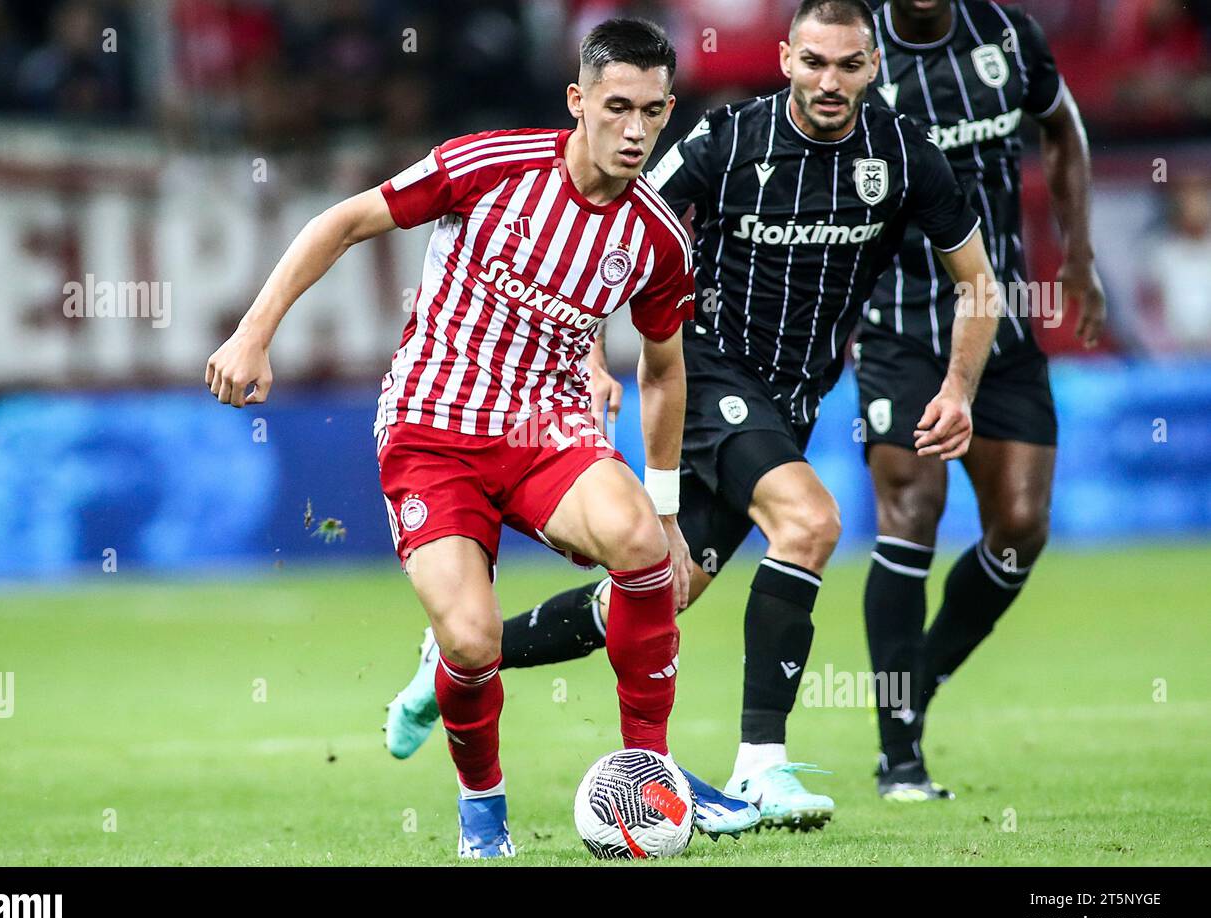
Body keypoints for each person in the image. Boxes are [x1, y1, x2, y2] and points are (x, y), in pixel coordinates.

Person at [385, 0, 1003, 830]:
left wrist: (959, 387)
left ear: (873, 68)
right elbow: (617, 238)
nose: (829, 80)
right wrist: (593, 357)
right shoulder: (727, 141)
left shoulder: (899, 155)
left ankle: (450, 662)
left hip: (790, 398)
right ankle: (760, 766)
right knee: (810, 521)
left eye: (848, 65)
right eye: (813, 61)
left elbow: (979, 281)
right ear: (785, 58)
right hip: (706, 370)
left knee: (650, 597)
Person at [205, 18, 760, 858]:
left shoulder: (657, 239)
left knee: (644, 546)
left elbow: (664, 369)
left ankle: (649, 774)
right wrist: (253, 333)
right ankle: (483, 814)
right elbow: (344, 222)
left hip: (547, 431)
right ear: (578, 101)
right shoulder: (491, 165)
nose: (637, 131)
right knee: (472, 638)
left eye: (654, 112)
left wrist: (672, 510)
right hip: (432, 429)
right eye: (618, 108)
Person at [858, 0, 1106, 800]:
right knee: (910, 510)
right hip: (897, 325)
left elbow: (1062, 126)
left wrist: (1079, 256)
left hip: (998, 320)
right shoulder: (853, 48)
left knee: (1022, 528)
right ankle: (901, 757)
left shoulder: (1007, 35)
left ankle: (912, 689)